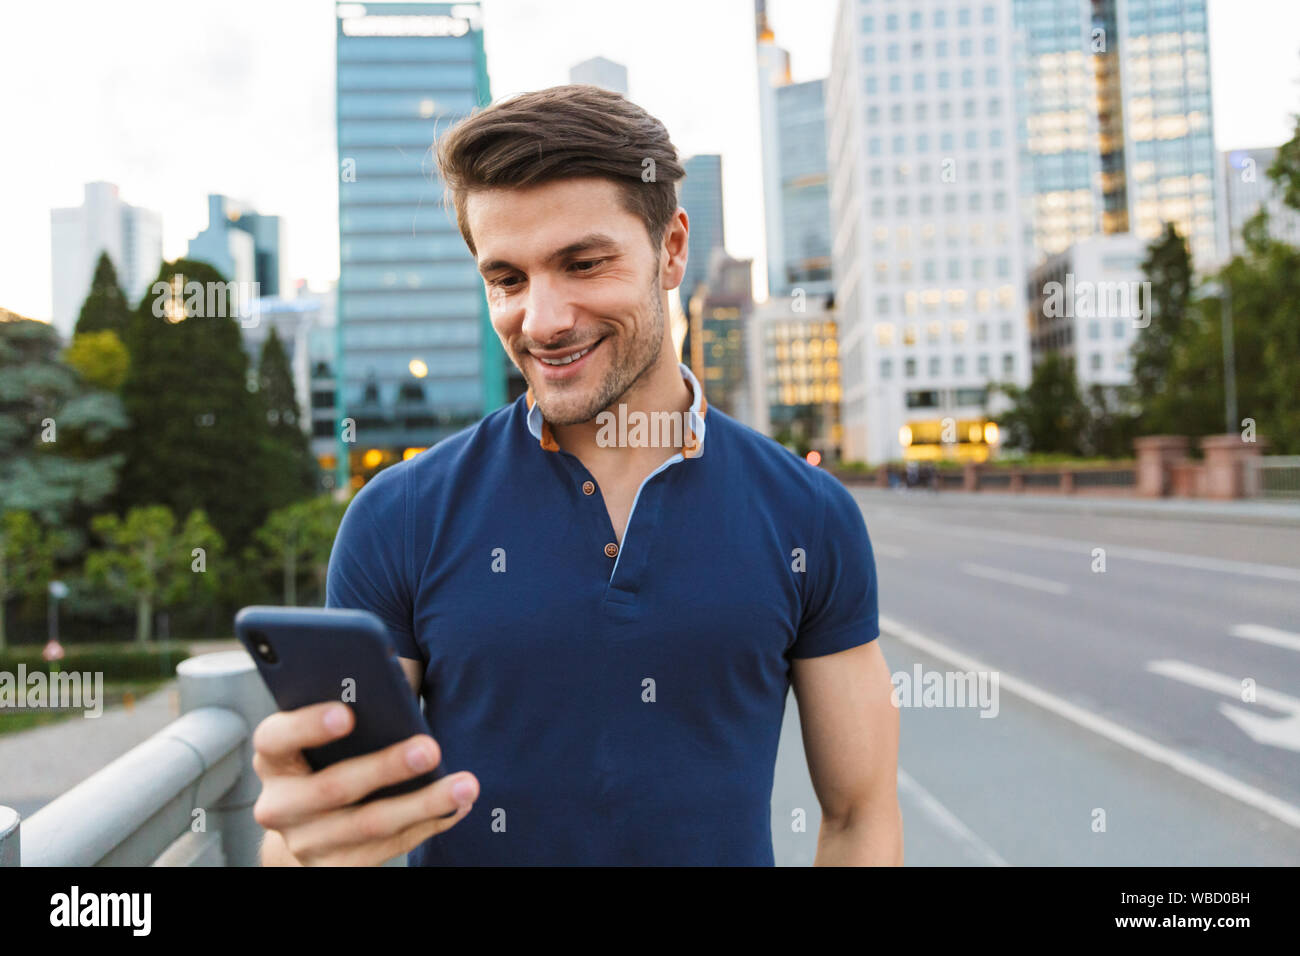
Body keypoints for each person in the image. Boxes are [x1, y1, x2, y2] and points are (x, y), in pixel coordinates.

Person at [252, 84, 901, 866]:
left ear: (671, 250)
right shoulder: (400, 516)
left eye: (583, 264)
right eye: (508, 279)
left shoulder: (809, 515)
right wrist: (302, 843)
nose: (544, 319)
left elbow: (860, 817)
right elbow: (327, 831)